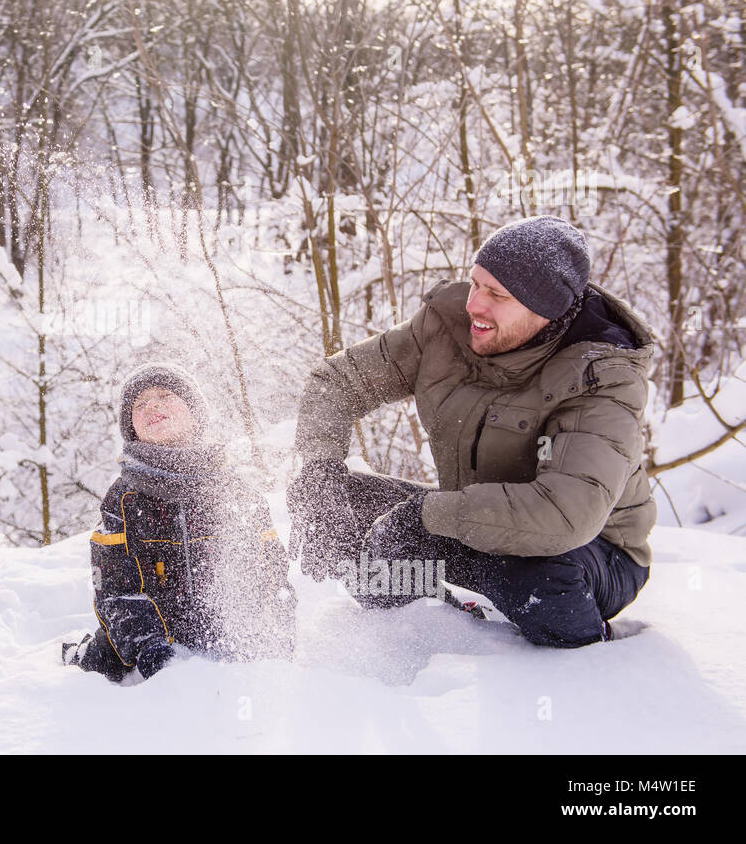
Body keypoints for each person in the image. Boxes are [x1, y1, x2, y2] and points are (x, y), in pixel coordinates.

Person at [287, 215, 655, 647]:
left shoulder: (602, 378)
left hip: (590, 552)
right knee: (342, 506)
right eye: (476, 283)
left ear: (545, 311)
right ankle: (440, 610)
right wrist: (318, 477)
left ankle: (596, 652)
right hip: (471, 520)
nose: (474, 305)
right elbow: (337, 382)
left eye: (497, 295)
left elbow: (562, 515)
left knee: (527, 574)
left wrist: (425, 519)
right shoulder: (446, 329)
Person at [62, 363, 296, 682]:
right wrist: (150, 649)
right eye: (139, 405)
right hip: (145, 653)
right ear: (132, 428)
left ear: (194, 413)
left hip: (226, 649)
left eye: (164, 395)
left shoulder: (238, 493)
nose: (152, 406)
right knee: (104, 660)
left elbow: (272, 577)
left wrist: (273, 639)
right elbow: (115, 590)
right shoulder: (123, 499)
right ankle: (80, 654)